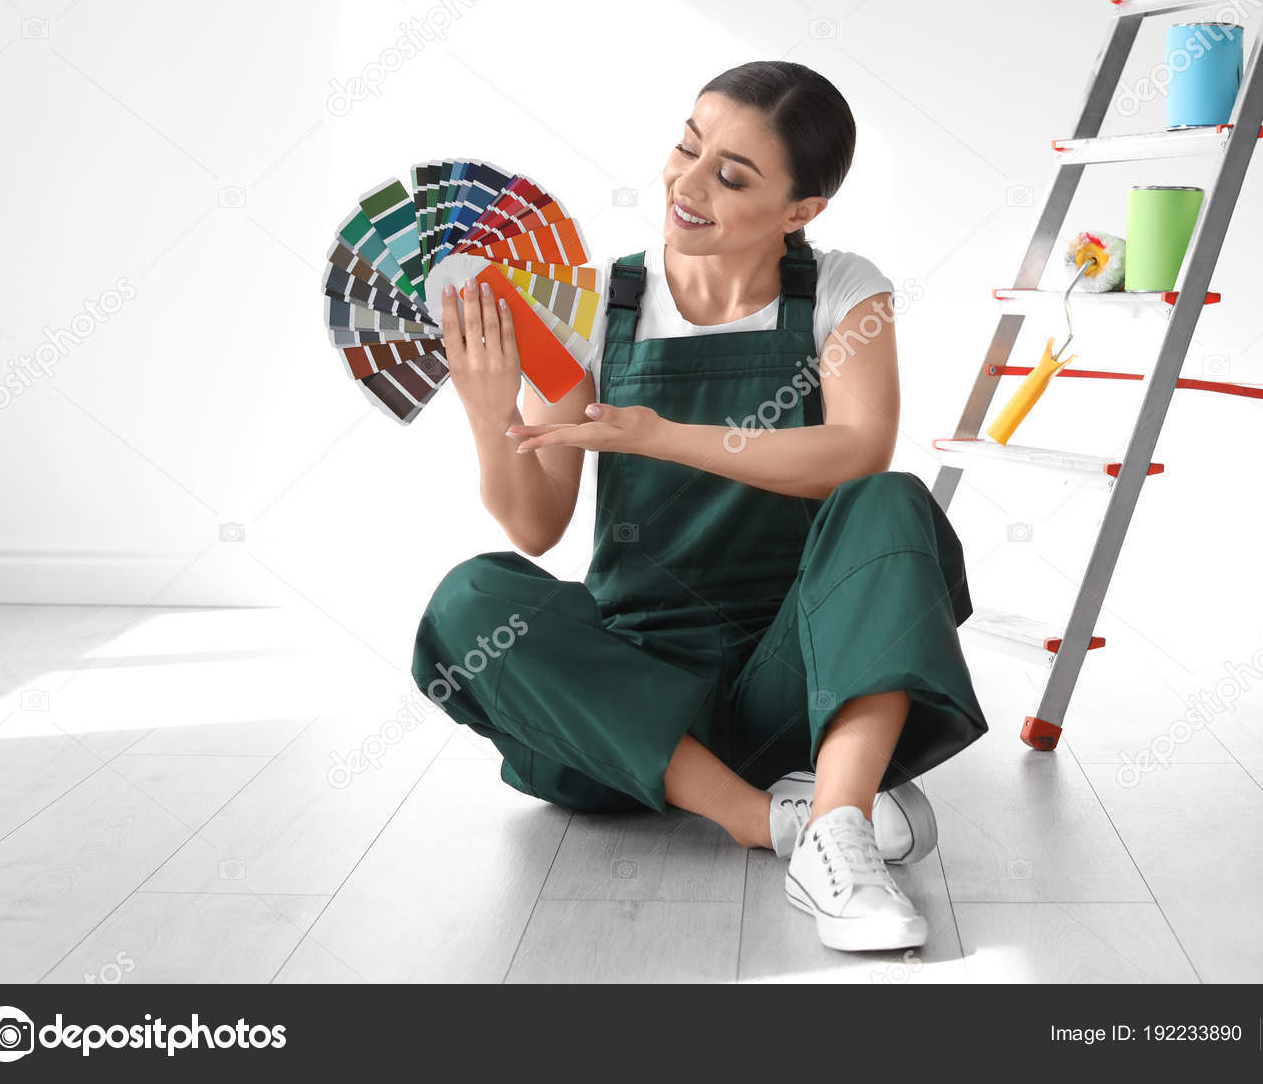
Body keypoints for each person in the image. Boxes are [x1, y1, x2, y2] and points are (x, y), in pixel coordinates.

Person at [412, 60, 988, 952]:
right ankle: (782, 822)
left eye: (731, 175)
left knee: (890, 501)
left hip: (794, 685)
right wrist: (490, 415)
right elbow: (536, 523)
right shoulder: (600, 303)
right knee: (469, 601)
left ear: (802, 211)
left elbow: (856, 449)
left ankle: (834, 824)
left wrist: (657, 433)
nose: (685, 184)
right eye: (688, 146)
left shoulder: (842, 290)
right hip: (632, 705)